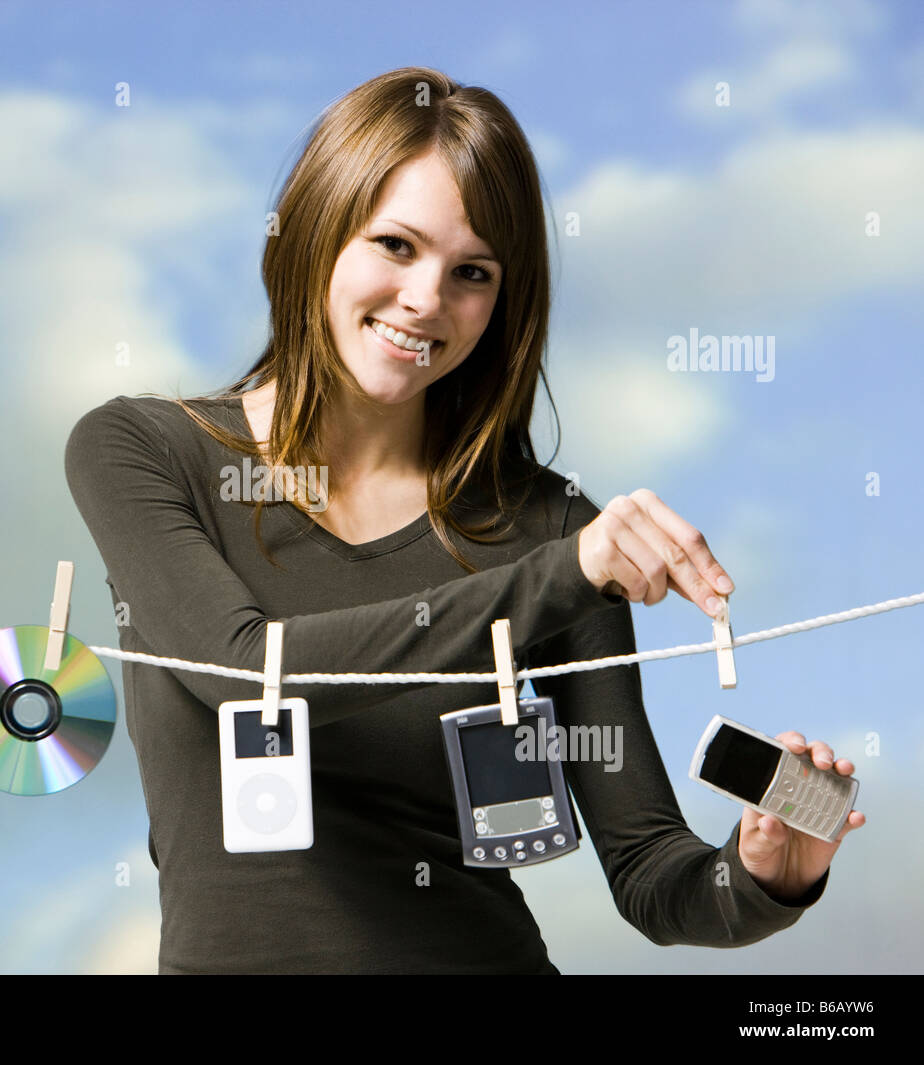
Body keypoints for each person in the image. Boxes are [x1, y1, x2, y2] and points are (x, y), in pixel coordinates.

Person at [64, 66, 863, 974]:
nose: (425, 300)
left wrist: (765, 876)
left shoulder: (549, 527)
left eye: (471, 272)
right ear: (317, 226)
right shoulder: (143, 451)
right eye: (396, 245)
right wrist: (568, 574)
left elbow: (650, 875)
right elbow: (247, 673)